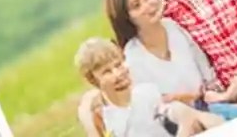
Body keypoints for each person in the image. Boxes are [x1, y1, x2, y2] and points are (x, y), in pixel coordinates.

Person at [104, 0, 237, 122]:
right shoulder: (133, 58)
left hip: (212, 105)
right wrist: (188, 98)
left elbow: (205, 71)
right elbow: (153, 106)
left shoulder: (174, 27)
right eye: (136, 5)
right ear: (126, 18)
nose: (147, 6)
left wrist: (219, 96)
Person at [73, 37, 223, 137]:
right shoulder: (104, 115)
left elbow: (171, 111)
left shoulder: (146, 93)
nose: (117, 73)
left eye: (118, 65)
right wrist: (86, 116)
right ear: (93, 80)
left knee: (191, 114)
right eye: (107, 71)